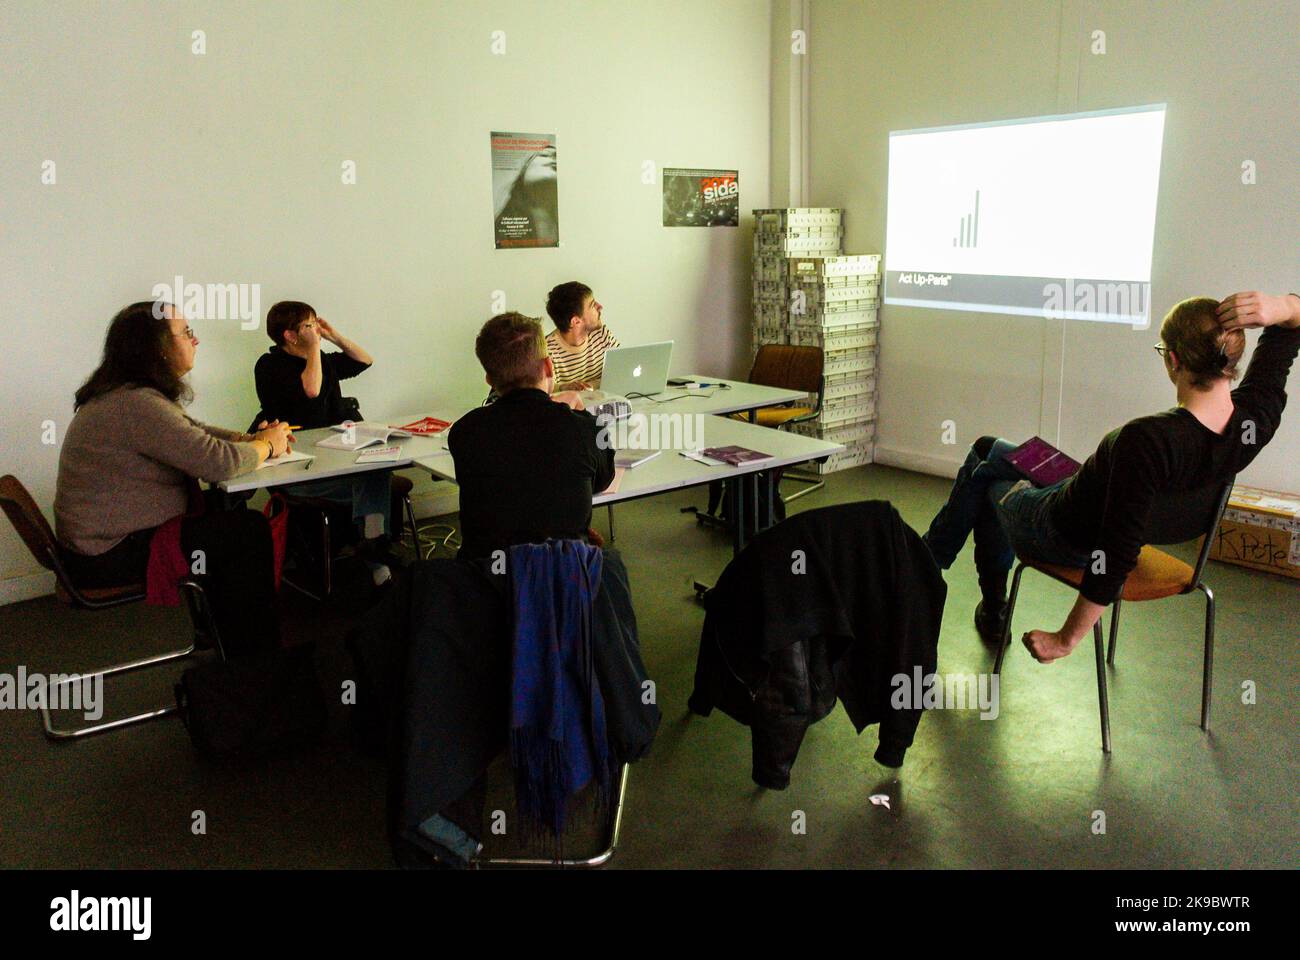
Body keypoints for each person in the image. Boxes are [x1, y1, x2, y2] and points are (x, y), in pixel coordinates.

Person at [922, 291, 1300, 663]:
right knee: (989, 447)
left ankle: (952, 582)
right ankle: (937, 567)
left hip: (1057, 529)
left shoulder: (1147, 440)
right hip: (1080, 492)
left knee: (986, 476)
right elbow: (1285, 342)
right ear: (1231, 359)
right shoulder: (1254, 420)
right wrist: (1283, 306)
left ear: (1172, 360)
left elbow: (1114, 552)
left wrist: (1065, 639)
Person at [54, 301, 293, 656]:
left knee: (227, 515)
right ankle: (253, 658)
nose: (195, 341)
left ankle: (224, 635)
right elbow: (218, 463)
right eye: (186, 333)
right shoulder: (136, 404)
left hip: (99, 545)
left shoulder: (128, 395)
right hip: (109, 554)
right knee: (247, 531)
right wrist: (269, 447)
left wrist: (251, 440)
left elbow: (193, 433)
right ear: (157, 349)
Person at [251, 301, 397, 585]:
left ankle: (372, 546)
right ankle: (375, 556)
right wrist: (314, 349)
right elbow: (312, 390)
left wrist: (334, 337)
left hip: (338, 461)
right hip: (298, 470)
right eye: (309, 325)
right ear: (290, 336)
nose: (315, 330)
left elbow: (364, 361)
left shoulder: (323, 360)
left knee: (378, 471)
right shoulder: (269, 366)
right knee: (371, 483)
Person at [448, 312, 615, 560]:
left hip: (486, 580)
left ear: (490, 381)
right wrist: (579, 413)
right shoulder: (584, 429)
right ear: (548, 366)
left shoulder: (464, 431)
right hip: (562, 577)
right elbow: (602, 480)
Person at [544, 281, 620, 392]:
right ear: (575, 321)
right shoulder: (547, 351)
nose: (600, 307)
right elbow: (545, 391)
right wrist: (563, 388)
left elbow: (622, 370)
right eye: (593, 305)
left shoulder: (601, 335)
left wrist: (591, 385)